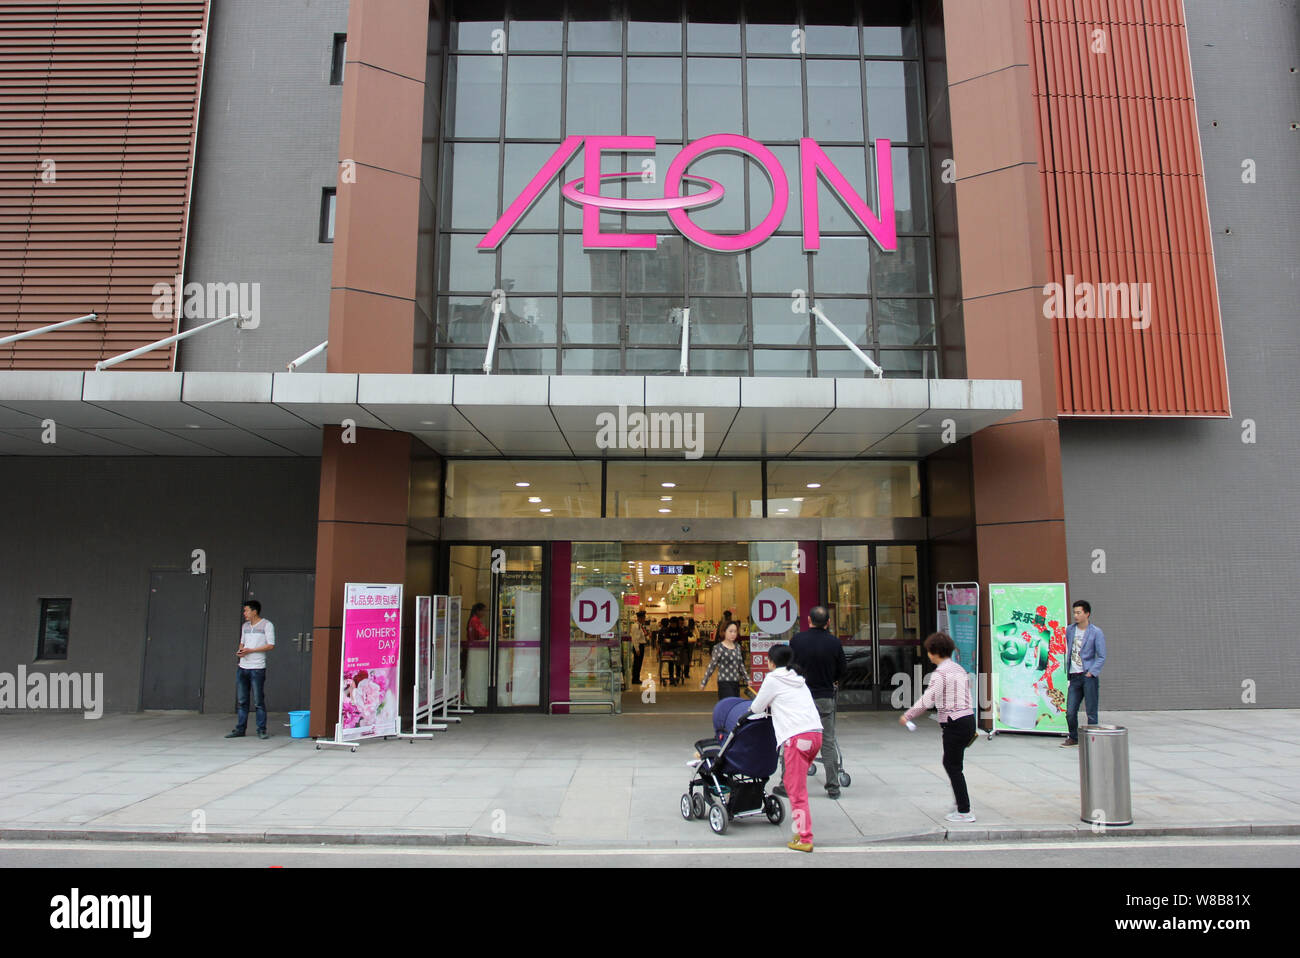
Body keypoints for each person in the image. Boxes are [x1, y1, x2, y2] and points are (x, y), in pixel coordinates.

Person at [749, 644, 823, 853]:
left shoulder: (773, 679)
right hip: (815, 734)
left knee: (795, 789)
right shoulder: (798, 679)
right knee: (795, 785)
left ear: (771, 662)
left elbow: (756, 707)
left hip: (796, 738)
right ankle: (800, 831)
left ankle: (804, 837)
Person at [899, 632, 976, 823]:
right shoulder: (958, 669)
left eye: (929, 651)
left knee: (952, 765)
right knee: (953, 764)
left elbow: (928, 699)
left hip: (954, 722)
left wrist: (908, 715)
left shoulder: (940, 673)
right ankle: (960, 804)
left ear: (934, 652)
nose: (928, 654)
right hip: (967, 719)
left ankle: (964, 810)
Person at [790, 605, 848, 798]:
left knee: (795, 739)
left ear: (809, 621)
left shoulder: (797, 641)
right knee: (828, 742)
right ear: (828, 622)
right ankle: (833, 786)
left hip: (801, 698)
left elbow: (789, 667)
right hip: (825, 697)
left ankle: (790, 783)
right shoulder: (834, 643)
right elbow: (842, 669)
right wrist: (833, 679)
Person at [1060, 599, 1106, 748]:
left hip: (1088, 676)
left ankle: (1092, 739)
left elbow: (1101, 656)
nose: (1076, 615)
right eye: (1074, 612)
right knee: (1070, 711)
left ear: (1087, 614)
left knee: (1091, 711)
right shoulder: (1070, 630)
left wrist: (1091, 672)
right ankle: (1073, 737)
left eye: (1079, 612)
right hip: (1074, 676)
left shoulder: (1096, 632)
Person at [226, 600, 275, 739]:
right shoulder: (245, 626)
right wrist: (241, 651)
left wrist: (251, 650)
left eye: (246, 610)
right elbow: (242, 642)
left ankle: (261, 729)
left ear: (255, 611)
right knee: (242, 700)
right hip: (243, 666)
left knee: (258, 700)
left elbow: (271, 645)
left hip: (257, 667)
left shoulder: (267, 625)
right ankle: (240, 729)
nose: (245, 613)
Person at [700, 620, 746, 699]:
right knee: (727, 704)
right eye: (730, 631)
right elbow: (712, 665)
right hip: (724, 682)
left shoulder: (737, 647)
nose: (733, 634)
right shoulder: (718, 648)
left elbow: (740, 665)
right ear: (724, 632)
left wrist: (747, 679)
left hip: (735, 682)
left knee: (734, 706)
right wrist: (704, 682)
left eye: (735, 631)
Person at [632, 609, 651, 681]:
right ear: (639, 618)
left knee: (639, 663)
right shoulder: (636, 626)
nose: (644, 619)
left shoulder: (640, 625)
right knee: (637, 663)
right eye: (643, 618)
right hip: (639, 646)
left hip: (641, 646)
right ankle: (635, 679)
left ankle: (636, 678)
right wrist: (637, 649)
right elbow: (635, 639)